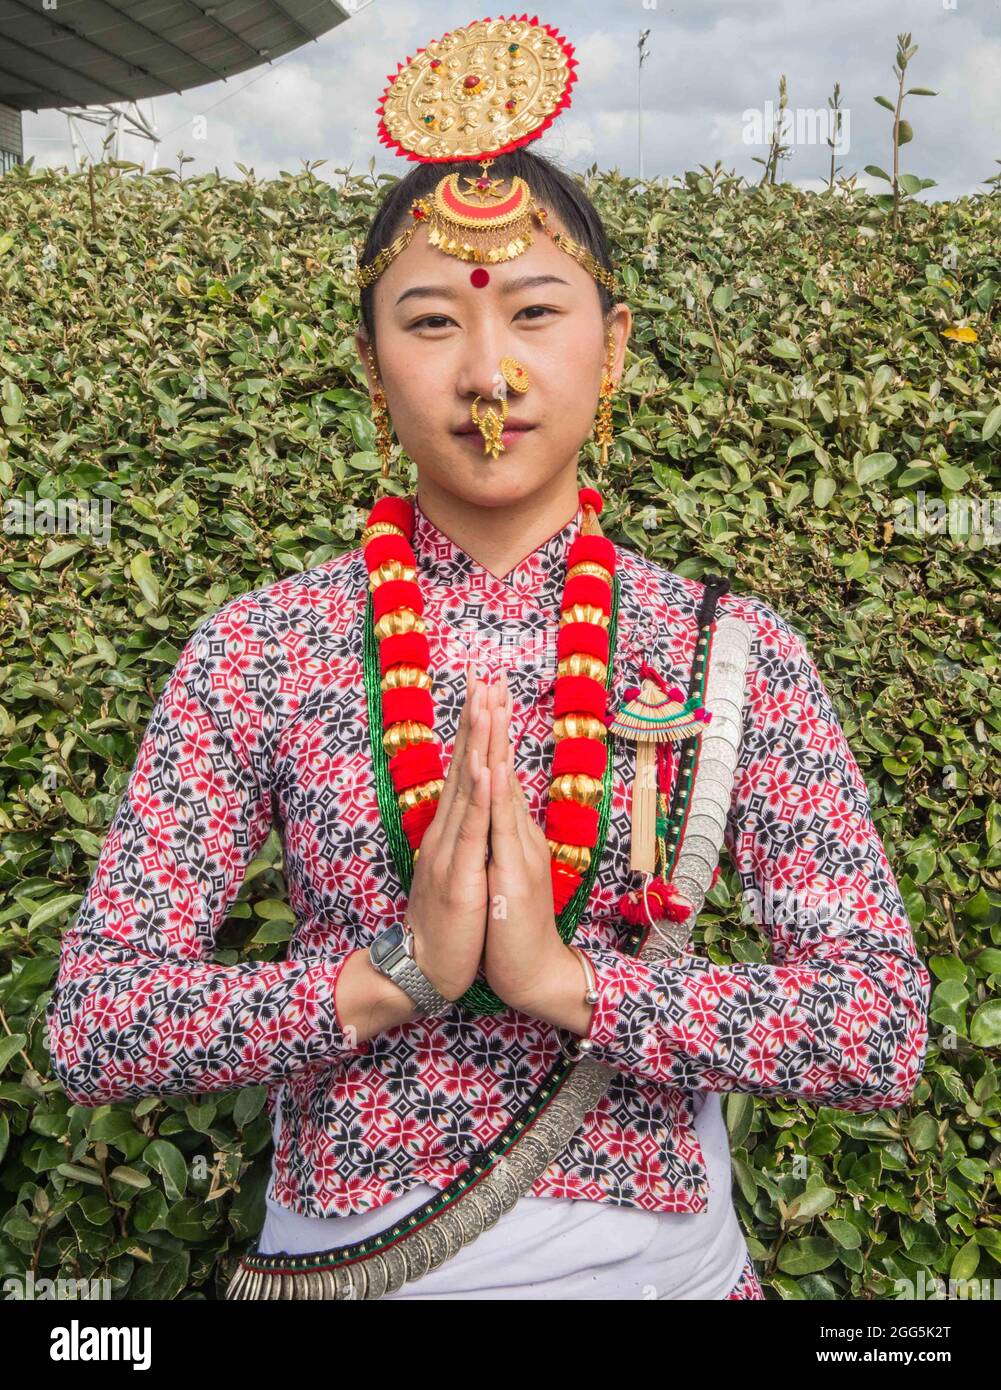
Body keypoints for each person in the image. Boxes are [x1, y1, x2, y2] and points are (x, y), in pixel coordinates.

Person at [46, 14, 931, 1302]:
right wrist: (380, 981)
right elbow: (97, 1024)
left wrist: (572, 989)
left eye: (536, 312)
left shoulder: (725, 650)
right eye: (430, 324)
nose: (490, 373)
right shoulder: (263, 649)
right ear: (369, 364)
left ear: (612, 344)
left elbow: (879, 1027)